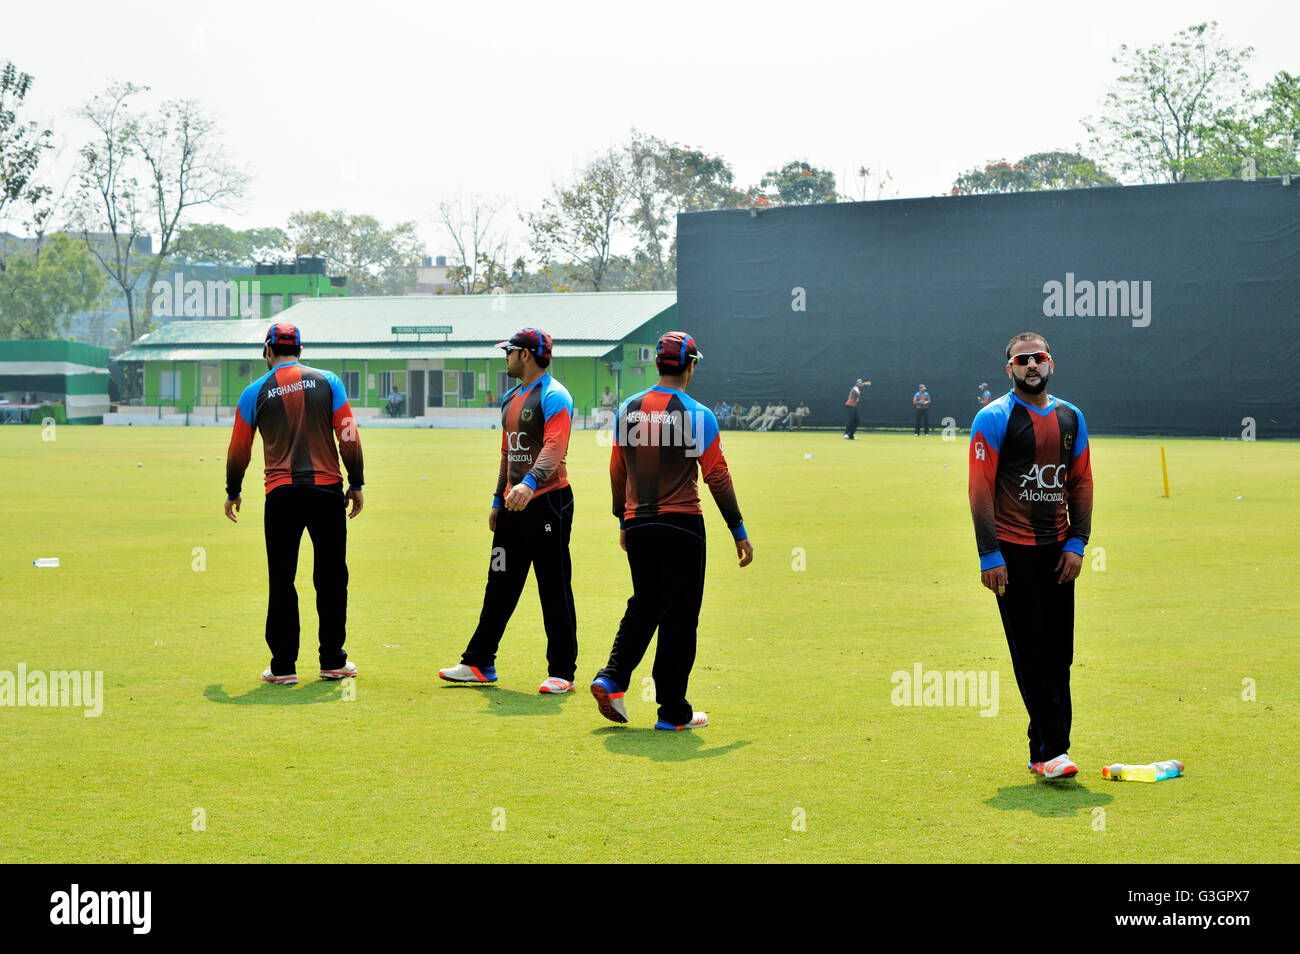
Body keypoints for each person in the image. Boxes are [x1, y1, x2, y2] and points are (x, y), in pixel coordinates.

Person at [591, 331, 753, 730]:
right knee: (680, 618)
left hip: (639, 523)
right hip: (683, 525)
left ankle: (612, 678)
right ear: (691, 365)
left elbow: (617, 471)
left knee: (645, 602)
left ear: (658, 364)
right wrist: (738, 529)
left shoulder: (627, 409)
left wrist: (622, 519)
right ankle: (671, 712)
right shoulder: (698, 414)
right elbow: (717, 475)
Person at [968, 333, 1093, 780]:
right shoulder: (994, 417)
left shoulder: (1071, 417)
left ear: (1051, 364)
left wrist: (1078, 542)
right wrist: (989, 555)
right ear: (1010, 370)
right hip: (1012, 555)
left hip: (1059, 553)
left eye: (1038, 358)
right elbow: (980, 489)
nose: (1031, 365)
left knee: (1060, 654)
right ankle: (1055, 750)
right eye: (1022, 360)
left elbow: (1079, 482)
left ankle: (1042, 751)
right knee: (1031, 653)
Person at [224, 322, 364, 685]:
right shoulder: (329, 381)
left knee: (282, 579)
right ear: (300, 350)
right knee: (332, 577)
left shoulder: (253, 392)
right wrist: (357, 481)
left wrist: (233, 490)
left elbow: (240, 448)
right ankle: (333, 660)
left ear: (267, 351)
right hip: (327, 492)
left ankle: (284, 666)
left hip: (282, 495)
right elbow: (348, 434)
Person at [439, 327, 578, 693]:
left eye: (510, 351)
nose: (505, 356)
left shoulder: (554, 395)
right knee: (499, 581)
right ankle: (479, 662)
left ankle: (562, 672)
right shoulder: (510, 399)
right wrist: (497, 499)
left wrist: (529, 484)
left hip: (549, 503)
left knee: (553, 586)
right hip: (512, 508)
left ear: (526, 355)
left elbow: (554, 448)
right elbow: (507, 453)